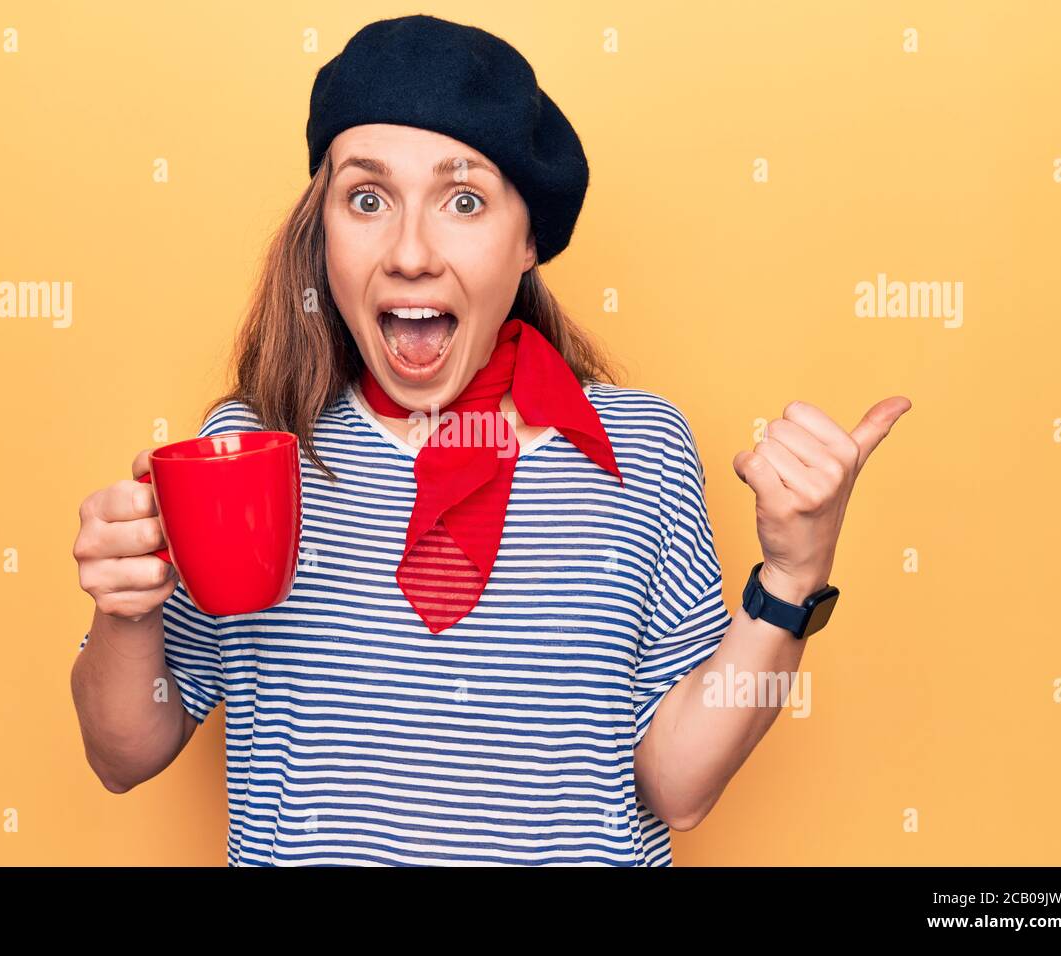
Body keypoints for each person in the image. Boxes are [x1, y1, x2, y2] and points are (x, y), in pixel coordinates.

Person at [69, 14, 910, 866]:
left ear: (529, 239)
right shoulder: (250, 452)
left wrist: (793, 581)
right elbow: (123, 755)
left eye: (463, 200)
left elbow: (678, 790)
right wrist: (126, 612)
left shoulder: (640, 447)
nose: (408, 252)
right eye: (367, 199)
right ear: (323, 232)